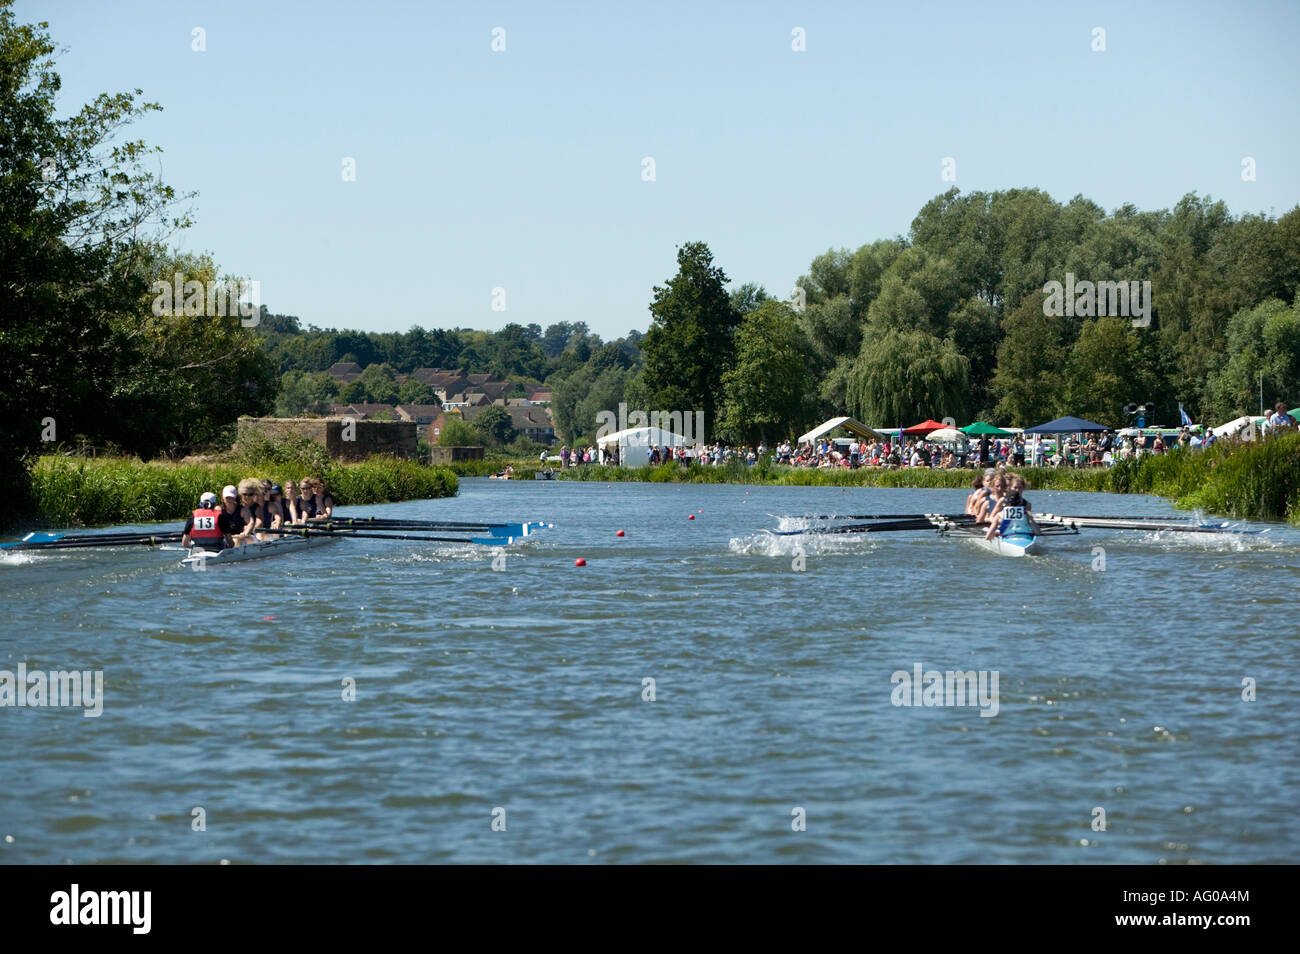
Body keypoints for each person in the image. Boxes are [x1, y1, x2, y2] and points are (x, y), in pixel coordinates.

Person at [984, 474, 1040, 540]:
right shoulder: (1003, 500)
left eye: (1020, 487)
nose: (1017, 490)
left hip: (1020, 530)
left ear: (1023, 488)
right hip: (1002, 528)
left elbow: (1027, 521)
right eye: (1015, 487)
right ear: (1010, 488)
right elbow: (991, 517)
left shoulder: (1027, 504)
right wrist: (1002, 522)